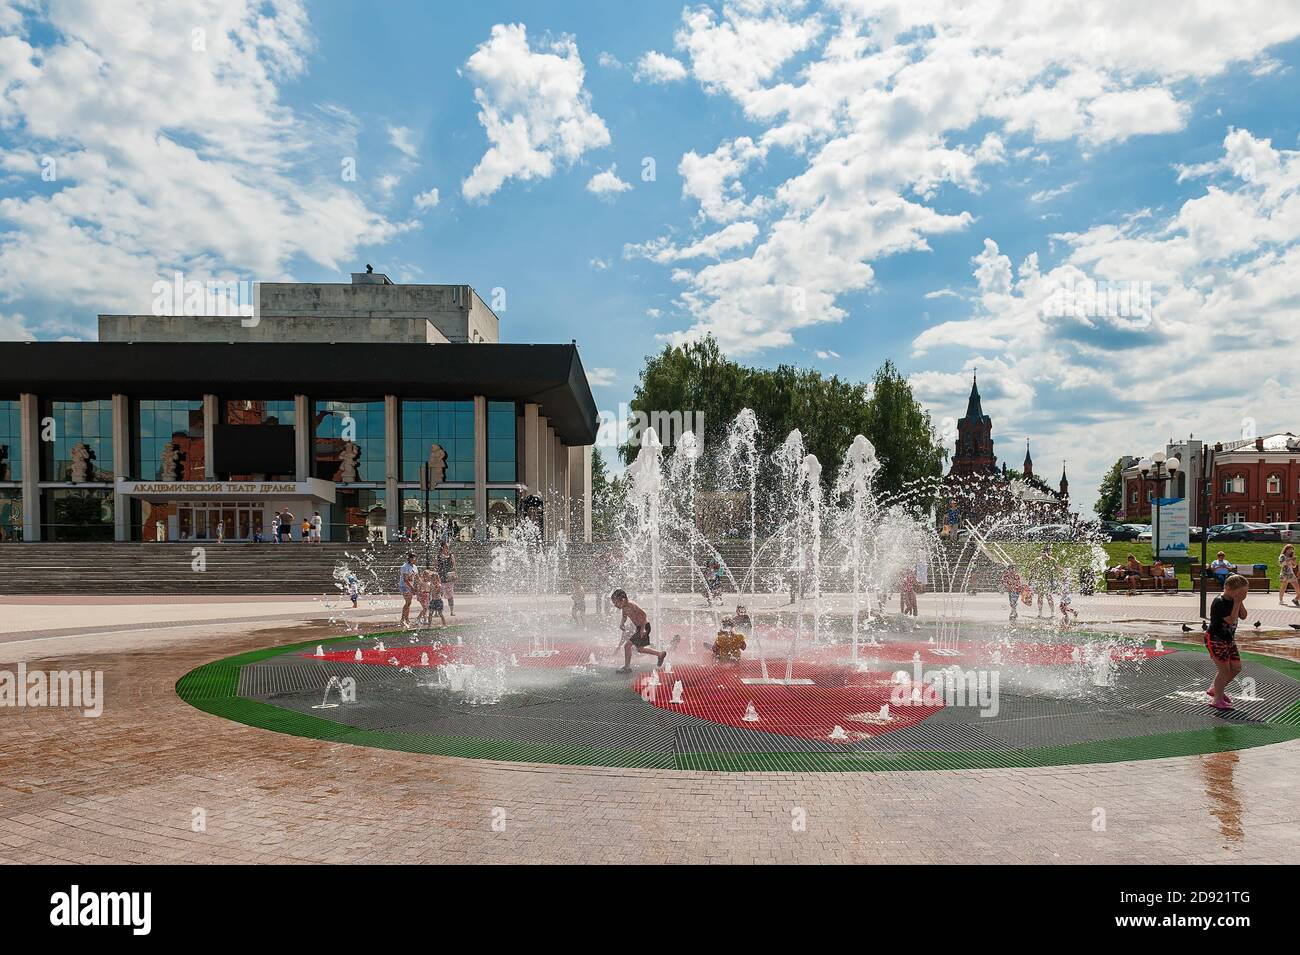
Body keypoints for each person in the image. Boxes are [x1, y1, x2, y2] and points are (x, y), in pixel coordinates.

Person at [1205, 573, 1248, 711]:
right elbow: (1231, 619)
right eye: (1242, 592)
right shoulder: (1219, 602)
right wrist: (1236, 602)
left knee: (1236, 668)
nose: (1244, 595)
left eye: (1245, 592)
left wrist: (1239, 601)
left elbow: (1243, 616)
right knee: (1224, 670)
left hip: (1228, 639)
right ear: (1229, 589)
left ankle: (1215, 689)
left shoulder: (1236, 600)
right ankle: (1217, 699)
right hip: (1215, 639)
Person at [610, 588, 673, 672]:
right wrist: (622, 623)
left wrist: (642, 629)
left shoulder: (631, 605)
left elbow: (644, 614)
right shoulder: (624, 608)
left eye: (616, 602)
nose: (615, 605)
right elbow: (624, 616)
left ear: (623, 599)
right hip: (641, 628)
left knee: (627, 646)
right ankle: (660, 654)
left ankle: (627, 667)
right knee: (640, 649)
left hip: (644, 627)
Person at [436, 541, 457, 616]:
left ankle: (452, 611)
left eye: (448, 547)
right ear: (442, 547)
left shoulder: (451, 555)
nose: (447, 548)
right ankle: (437, 611)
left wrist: (455, 574)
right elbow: (436, 566)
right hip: (440, 577)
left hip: (449, 578)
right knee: (438, 594)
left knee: (450, 595)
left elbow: (454, 566)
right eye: (446, 546)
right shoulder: (438, 556)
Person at [398, 551, 418, 627]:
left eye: (415, 557)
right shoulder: (404, 567)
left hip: (410, 586)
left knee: (409, 603)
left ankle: (407, 619)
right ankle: (402, 619)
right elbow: (405, 579)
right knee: (408, 602)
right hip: (404, 586)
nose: (414, 559)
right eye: (413, 557)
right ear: (409, 558)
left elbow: (417, 577)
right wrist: (412, 588)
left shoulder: (415, 567)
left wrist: (422, 583)